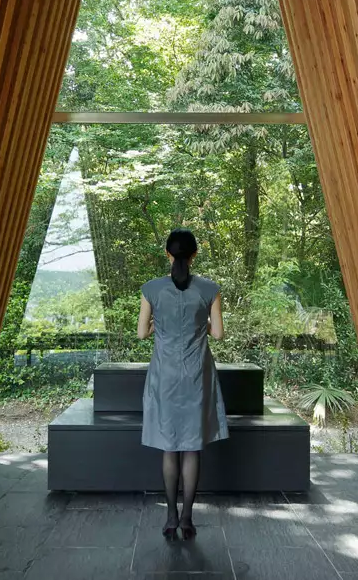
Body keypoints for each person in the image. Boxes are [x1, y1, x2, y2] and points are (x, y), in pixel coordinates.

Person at [137, 228, 226, 540]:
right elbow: (217, 334)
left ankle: (170, 515)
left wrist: (154, 322)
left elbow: (140, 334)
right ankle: (188, 517)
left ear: (167, 254)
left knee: (169, 447)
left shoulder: (151, 289)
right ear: (194, 255)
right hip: (196, 375)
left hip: (164, 376)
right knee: (191, 448)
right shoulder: (209, 289)